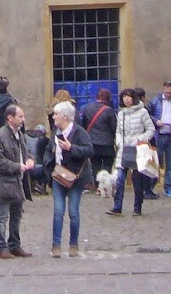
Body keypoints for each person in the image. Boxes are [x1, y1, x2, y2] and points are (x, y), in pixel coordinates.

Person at [49, 100, 93, 258]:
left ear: (65, 116)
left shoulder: (79, 132)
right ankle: (56, 245)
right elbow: (49, 151)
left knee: (73, 212)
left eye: (56, 114)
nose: (53, 117)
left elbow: (89, 150)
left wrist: (71, 148)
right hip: (58, 176)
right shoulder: (56, 132)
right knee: (58, 211)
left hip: (75, 178)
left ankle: (73, 244)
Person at [0, 102, 34, 258]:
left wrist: (29, 159)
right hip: (5, 182)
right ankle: (1, 247)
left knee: (17, 215)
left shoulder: (20, 135)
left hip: (19, 182)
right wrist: (16, 166)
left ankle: (15, 245)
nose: (23, 119)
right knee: (2, 217)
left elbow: (26, 151)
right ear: (10, 118)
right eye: (20, 116)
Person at [107, 88, 154, 216]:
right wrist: (118, 141)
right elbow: (118, 131)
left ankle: (137, 207)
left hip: (137, 150)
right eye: (124, 97)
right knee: (119, 179)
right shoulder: (121, 114)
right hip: (123, 150)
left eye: (128, 96)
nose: (126, 99)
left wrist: (139, 139)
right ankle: (117, 207)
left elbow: (150, 129)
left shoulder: (143, 112)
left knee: (137, 181)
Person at [79, 87, 117, 189]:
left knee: (95, 164)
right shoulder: (109, 110)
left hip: (92, 142)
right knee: (108, 163)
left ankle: (97, 185)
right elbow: (114, 127)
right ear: (108, 99)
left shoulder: (87, 108)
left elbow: (83, 125)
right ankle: (106, 184)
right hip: (107, 143)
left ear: (97, 97)